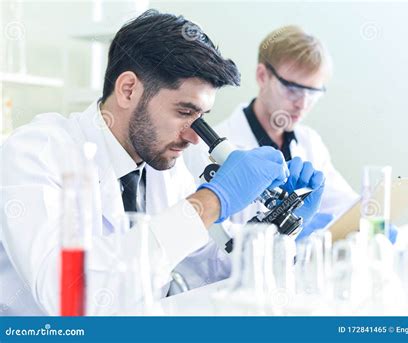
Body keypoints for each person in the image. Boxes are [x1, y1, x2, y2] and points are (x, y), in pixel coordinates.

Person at [0, 11, 324, 315]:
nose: (195, 136)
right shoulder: (36, 153)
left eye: (201, 118)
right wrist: (211, 201)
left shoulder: (161, 166)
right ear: (128, 89)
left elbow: (207, 270)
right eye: (184, 112)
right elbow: (72, 299)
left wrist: (276, 231)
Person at [184, 25, 359, 240]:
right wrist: (277, 232)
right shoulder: (201, 149)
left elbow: (349, 208)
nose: (302, 104)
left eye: (312, 93)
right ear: (262, 76)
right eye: (292, 88)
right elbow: (203, 252)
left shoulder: (309, 142)